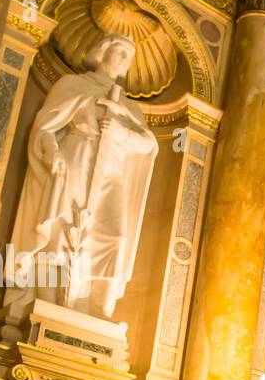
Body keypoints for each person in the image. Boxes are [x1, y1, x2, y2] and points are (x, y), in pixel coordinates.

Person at [9, 32, 157, 319]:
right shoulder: (74, 85)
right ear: (103, 51)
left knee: (114, 237)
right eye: (121, 51)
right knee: (64, 227)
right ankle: (52, 304)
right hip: (77, 156)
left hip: (112, 171)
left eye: (130, 56)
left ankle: (98, 311)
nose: (126, 60)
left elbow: (149, 144)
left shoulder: (129, 106)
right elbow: (45, 127)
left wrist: (122, 132)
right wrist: (52, 153)